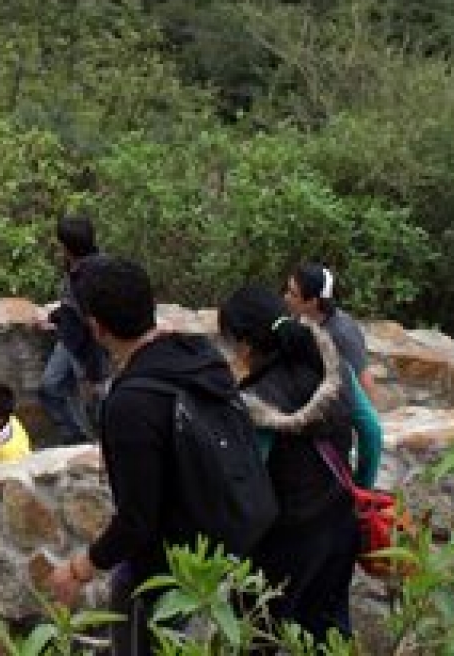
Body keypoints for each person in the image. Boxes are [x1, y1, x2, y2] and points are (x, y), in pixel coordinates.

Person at [45, 256, 243, 656]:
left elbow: (137, 520)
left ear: (97, 327)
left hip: (159, 572)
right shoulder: (201, 356)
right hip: (212, 552)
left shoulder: (130, 403)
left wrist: (78, 569)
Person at [219, 285, 359, 641]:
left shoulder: (255, 403)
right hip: (340, 524)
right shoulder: (331, 366)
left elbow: (249, 495)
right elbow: (371, 432)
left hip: (285, 543)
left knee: (255, 638)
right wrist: (358, 491)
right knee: (327, 637)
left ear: (245, 345)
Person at [284, 261, 383, 488]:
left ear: (312, 302)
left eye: (293, 293)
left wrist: (368, 419)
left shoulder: (341, 333)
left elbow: (362, 379)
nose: (286, 297)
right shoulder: (297, 319)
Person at [39, 213, 109, 445]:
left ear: (68, 246)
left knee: (94, 405)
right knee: (50, 388)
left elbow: (95, 327)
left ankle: (92, 447)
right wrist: (55, 317)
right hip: (69, 339)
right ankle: (75, 438)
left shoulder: (91, 277)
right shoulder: (75, 266)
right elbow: (71, 307)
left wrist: (93, 371)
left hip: (85, 349)